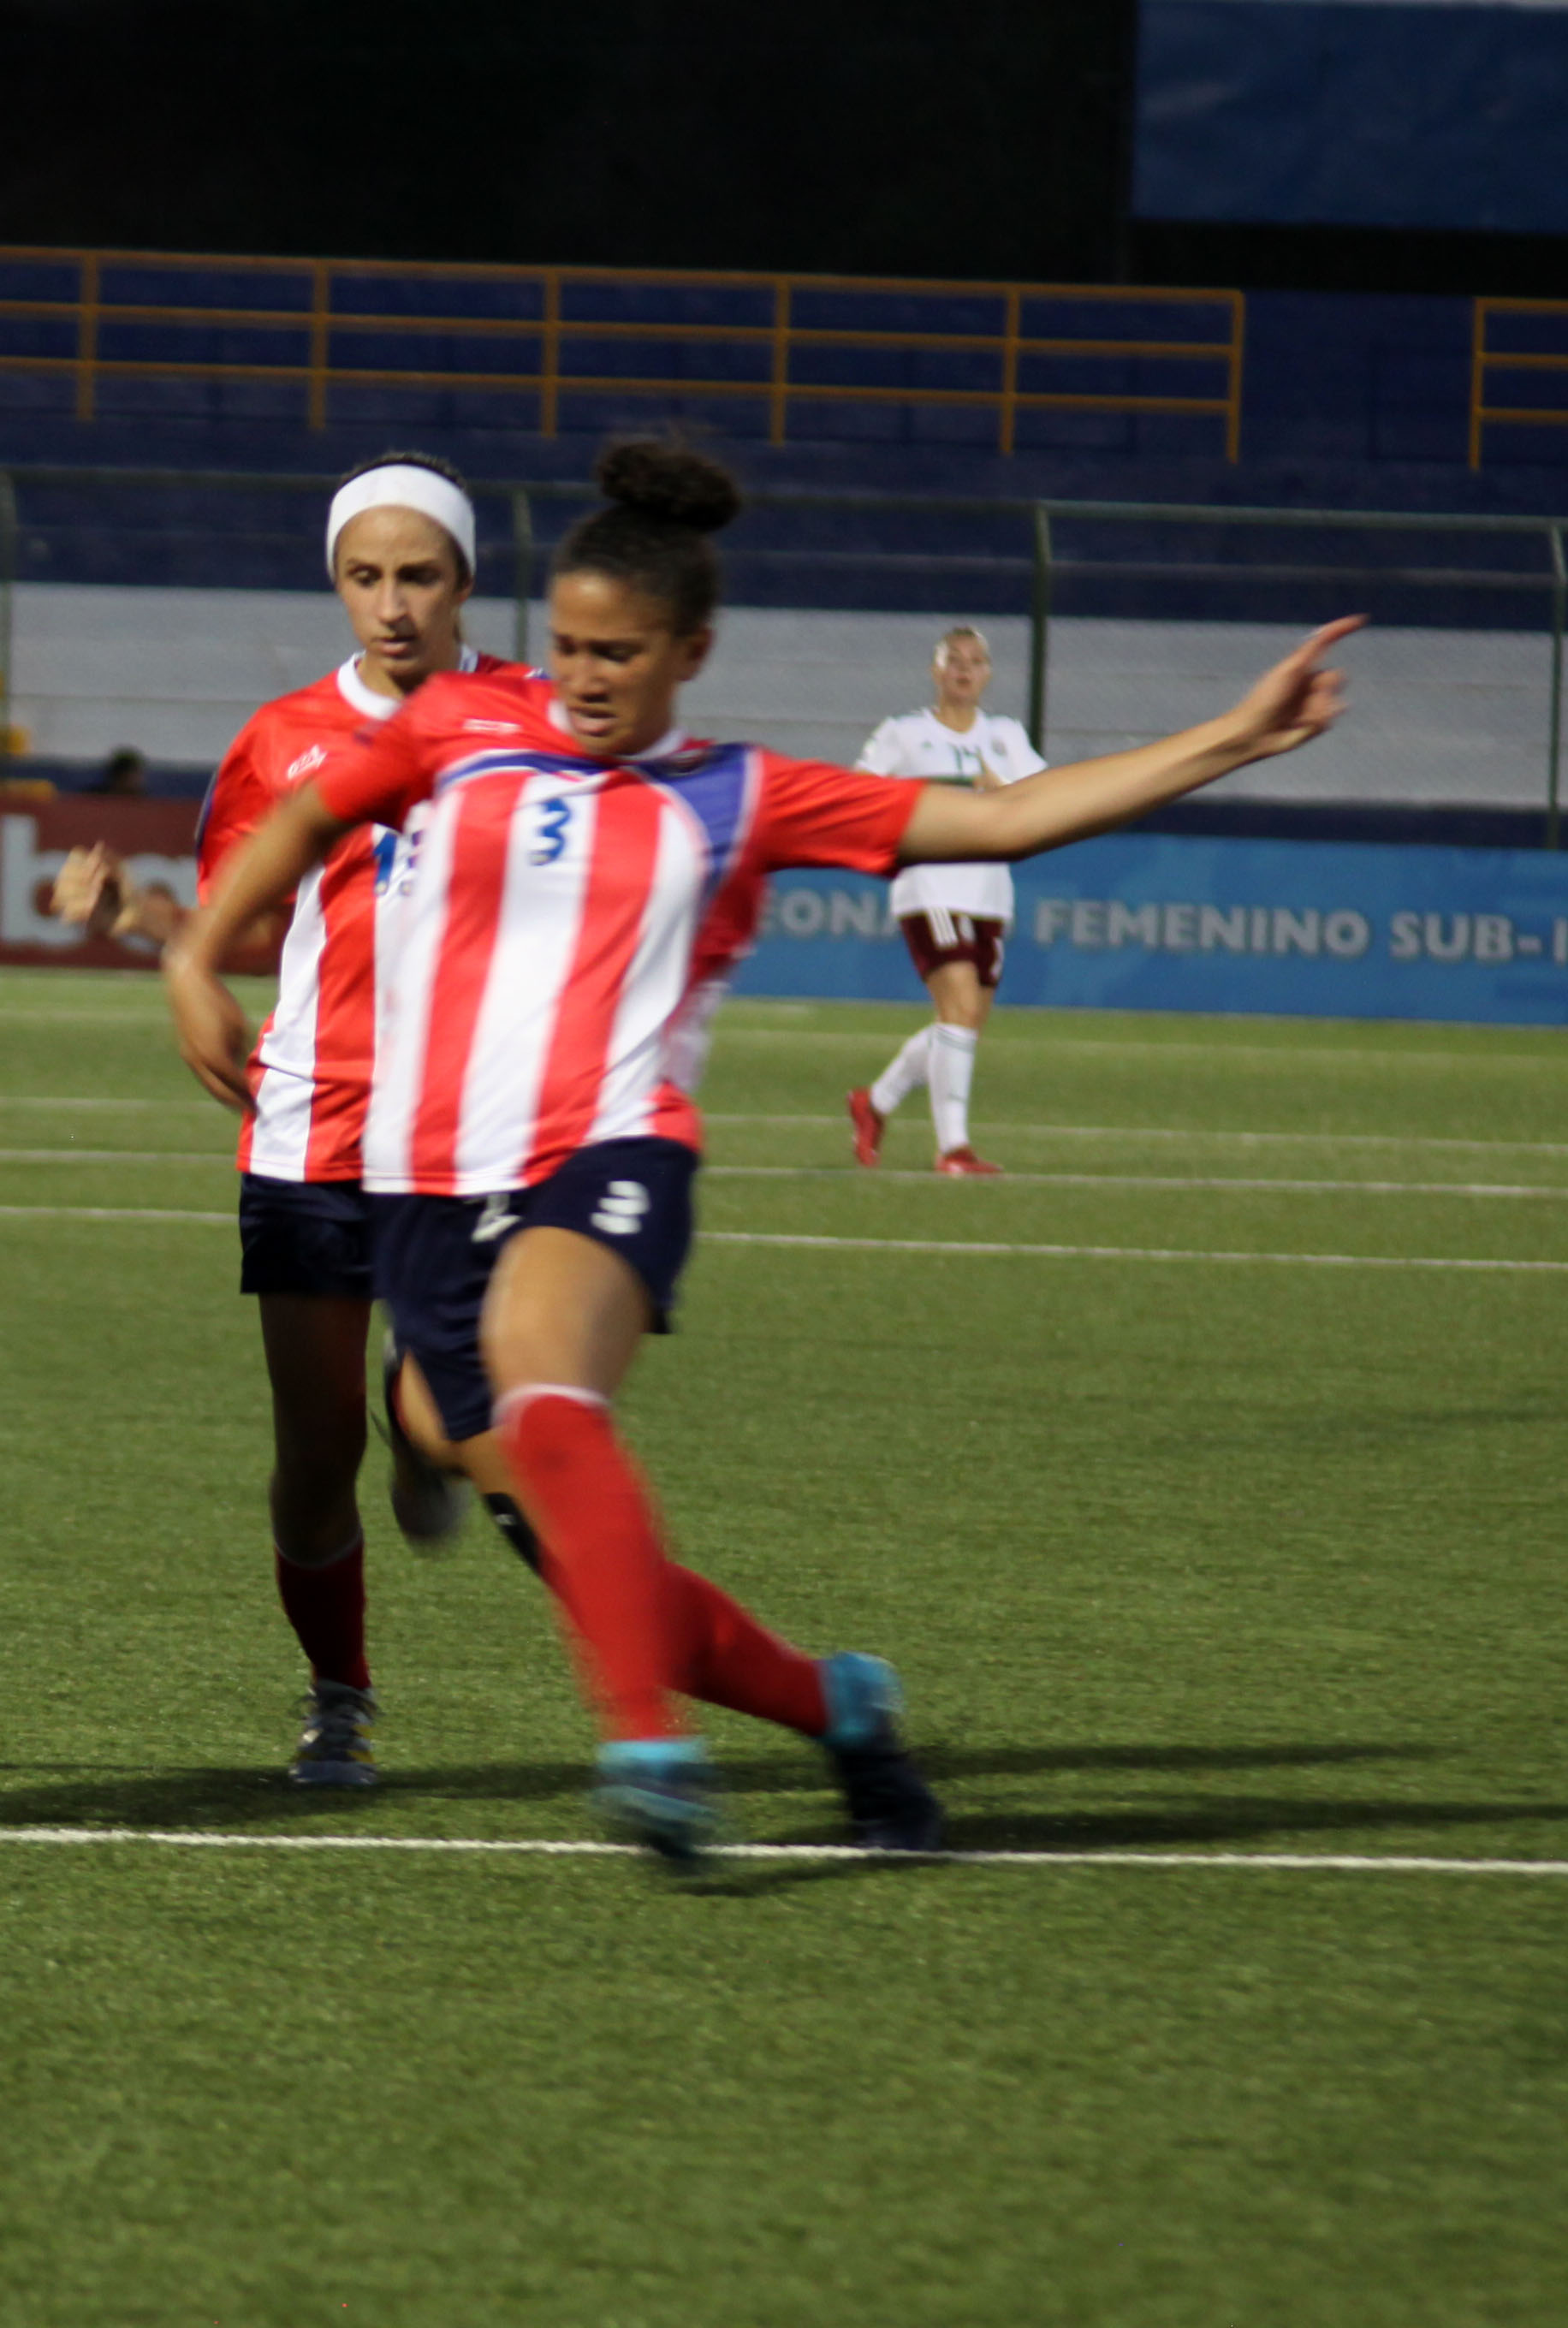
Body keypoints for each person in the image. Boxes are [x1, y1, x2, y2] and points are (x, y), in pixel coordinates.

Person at [163, 442, 1354, 1872]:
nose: (589, 677)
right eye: (571, 648)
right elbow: (303, 811)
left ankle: (644, 1748)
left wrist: (1232, 734)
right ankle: (836, 1709)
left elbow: (1003, 819)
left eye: (623, 653)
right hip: (424, 1189)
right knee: (572, 1535)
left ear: (690, 652)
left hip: (603, 1155)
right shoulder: (458, 726)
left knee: (546, 1402)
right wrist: (190, 960)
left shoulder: (745, 792)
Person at [55, 451, 536, 1790]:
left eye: (418, 575)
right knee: (312, 1458)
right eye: (364, 576)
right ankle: (340, 1695)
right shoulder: (281, 738)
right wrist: (155, 935)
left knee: (449, 1411)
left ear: (467, 581)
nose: (391, 604)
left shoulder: (539, 715)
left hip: (479, 1132)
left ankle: (424, 1422)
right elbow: (237, 922)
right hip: (314, 1126)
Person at [846, 626, 1047, 1176]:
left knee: (961, 1025)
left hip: (989, 893)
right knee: (957, 1009)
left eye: (976, 660)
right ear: (935, 672)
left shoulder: (1005, 735)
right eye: (953, 660)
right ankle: (953, 1149)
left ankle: (875, 1103)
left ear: (988, 674)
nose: (964, 669)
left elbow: (1043, 796)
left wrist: (998, 784)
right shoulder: (904, 734)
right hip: (931, 886)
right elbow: (859, 794)